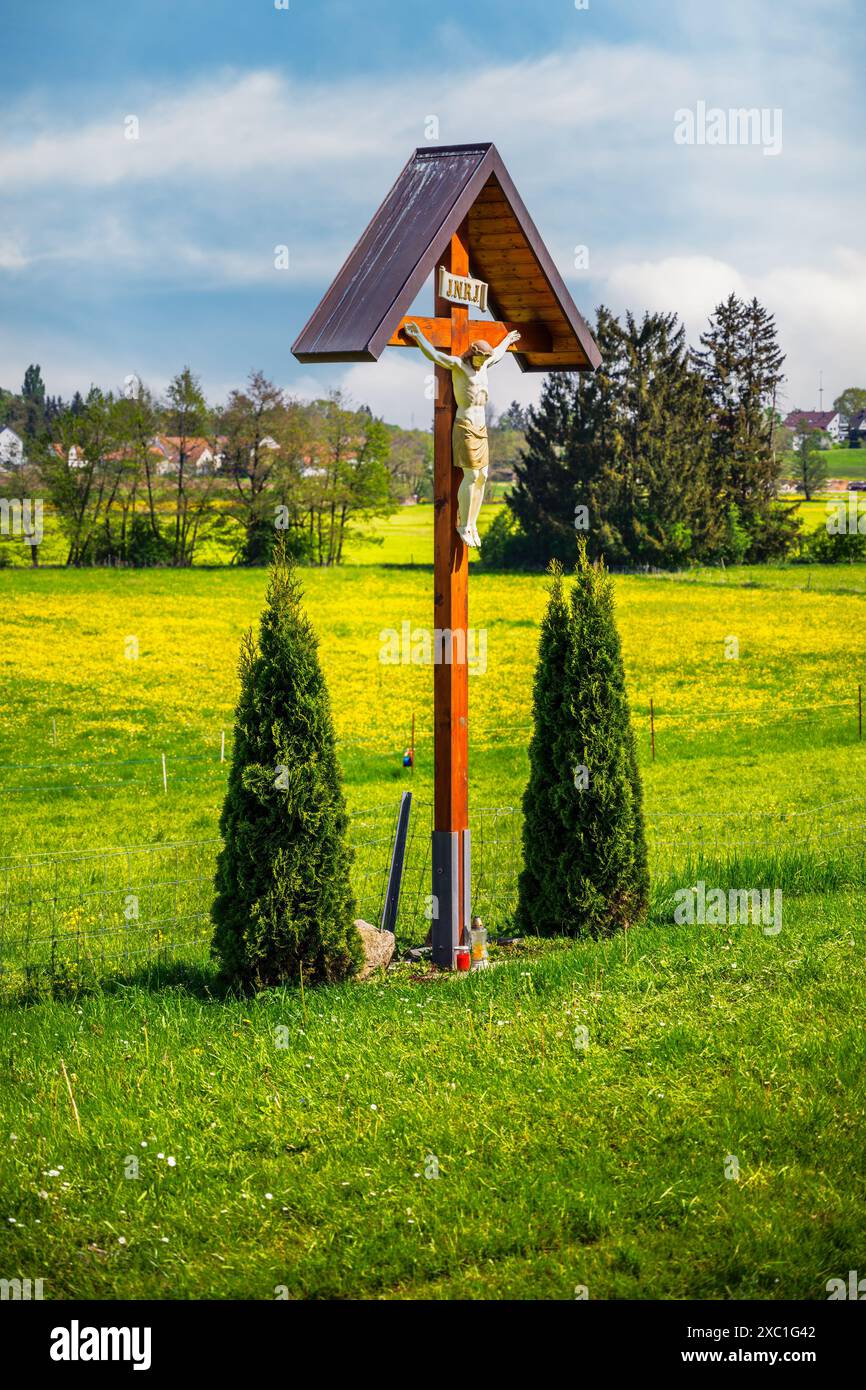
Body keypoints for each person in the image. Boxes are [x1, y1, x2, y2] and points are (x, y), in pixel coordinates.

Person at [403, 321, 521, 546]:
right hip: (465, 426)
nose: (482, 363)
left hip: (482, 428)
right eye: (479, 359)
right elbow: (436, 356)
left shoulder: (485, 365)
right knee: (473, 475)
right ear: (472, 355)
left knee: (483, 476)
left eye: (484, 360)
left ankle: (473, 523)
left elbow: (497, 353)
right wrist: (418, 336)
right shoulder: (459, 365)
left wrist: (508, 340)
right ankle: (463, 524)